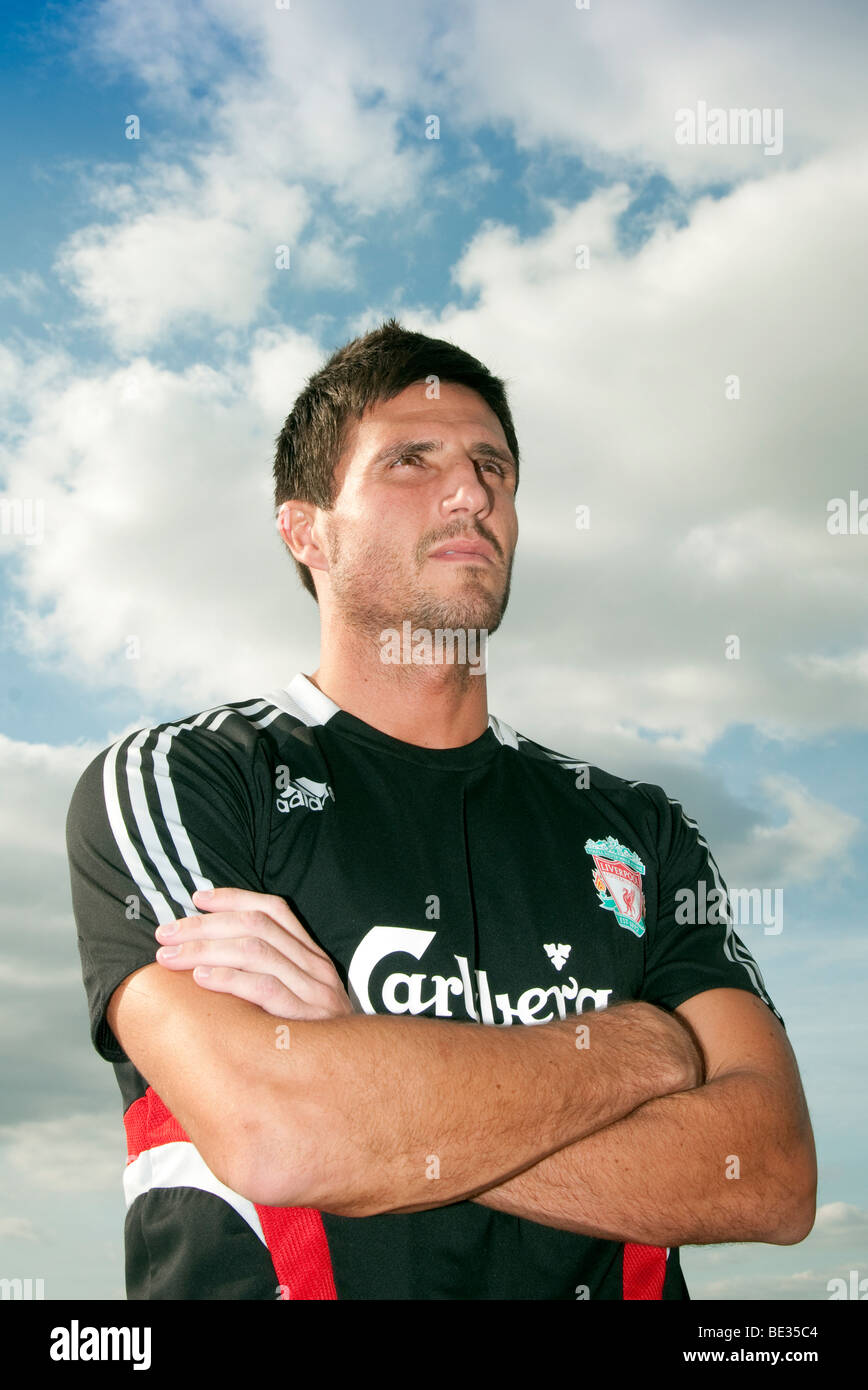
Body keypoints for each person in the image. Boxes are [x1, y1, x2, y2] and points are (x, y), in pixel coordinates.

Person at [65, 318, 816, 1300]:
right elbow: (279, 1129)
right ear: (306, 530)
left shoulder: (638, 827)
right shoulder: (187, 779)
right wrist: (647, 1047)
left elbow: (768, 1174)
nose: (472, 492)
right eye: (410, 461)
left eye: (491, 464)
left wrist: (366, 1072)